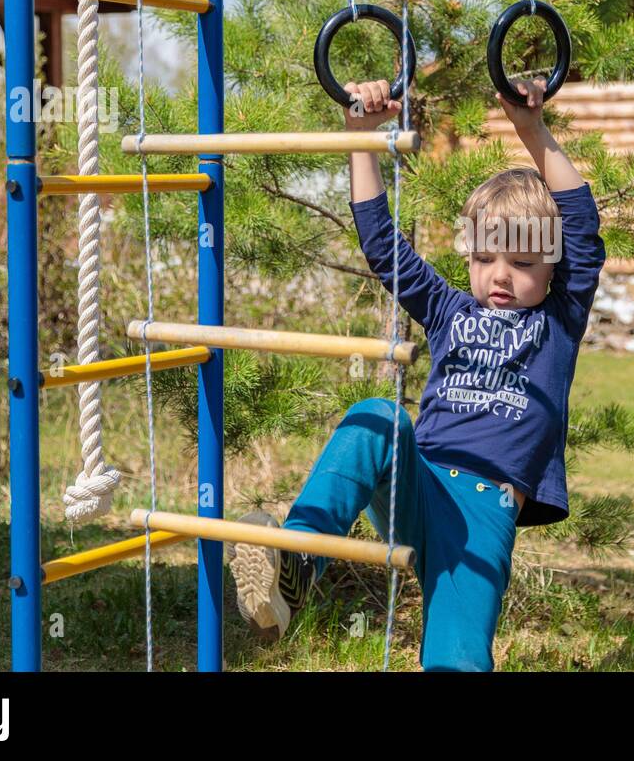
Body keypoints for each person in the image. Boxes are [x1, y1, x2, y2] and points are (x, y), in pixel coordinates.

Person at [228, 76, 605, 670]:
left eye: (523, 262)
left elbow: (583, 226)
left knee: (457, 659)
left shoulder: (559, 320)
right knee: (376, 418)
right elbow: (384, 248)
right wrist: (360, 137)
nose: (500, 276)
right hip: (419, 480)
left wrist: (531, 129)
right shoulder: (449, 309)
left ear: (553, 266)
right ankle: (296, 564)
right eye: (484, 258)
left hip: (484, 514)